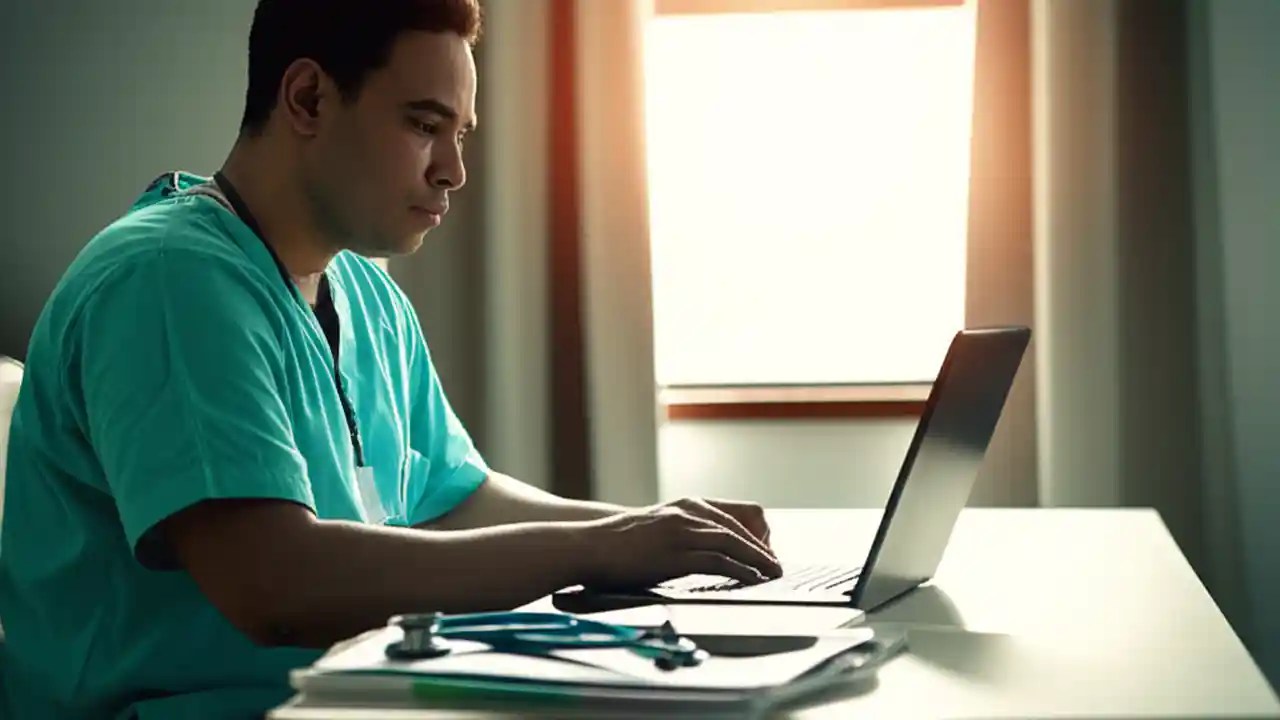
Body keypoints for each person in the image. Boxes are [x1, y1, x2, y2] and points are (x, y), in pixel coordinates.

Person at [0, 0, 783, 717]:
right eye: (423, 125)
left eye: (461, 135)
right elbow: (273, 583)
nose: (453, 170)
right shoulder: (168, 281)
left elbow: (453, 500)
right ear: (307, 98)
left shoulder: (367, 296)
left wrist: (664, 535)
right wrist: (597, 548)